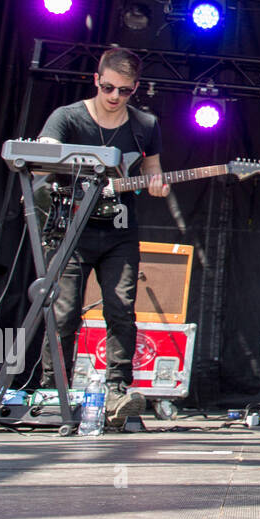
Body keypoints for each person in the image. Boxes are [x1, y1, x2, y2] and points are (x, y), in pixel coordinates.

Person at [38, 47, 168, 428]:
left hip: (120, 232)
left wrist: (157, 185)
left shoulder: (145, 124)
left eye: (124, 91)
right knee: (62, 313)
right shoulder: (67, 117)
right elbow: (43, 158)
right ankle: (51, 391)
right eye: (108, 87)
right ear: (96, 80)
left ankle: (116, 390)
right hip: (71, 231)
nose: (114, 97)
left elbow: (153, 171)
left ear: (135, 89)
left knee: (121, 310)